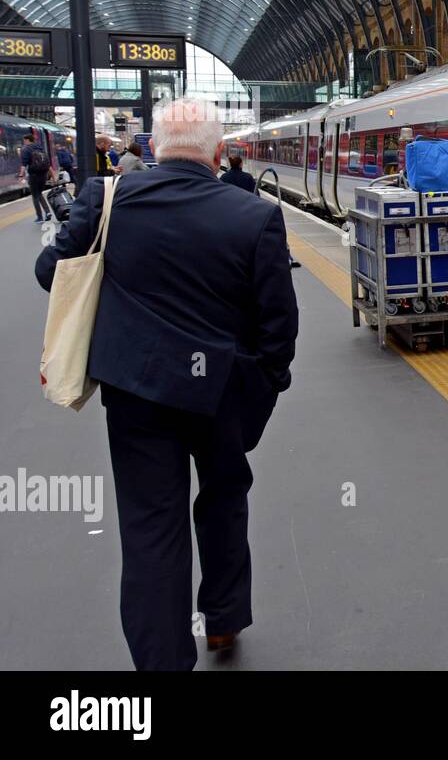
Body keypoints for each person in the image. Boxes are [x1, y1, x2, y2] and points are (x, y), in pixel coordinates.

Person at [35, 96, 299, 671]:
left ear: (153, 147)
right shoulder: (253, 215)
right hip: (224, 392)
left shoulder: (106, 199)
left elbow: (49, 273)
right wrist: (265, 386)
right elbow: (279, 325)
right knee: (225, 500)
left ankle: (163, 665)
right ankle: (224, 622)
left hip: (137, 394)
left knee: (153, 526)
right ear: (219, 153)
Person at [19, 133, 53, 223]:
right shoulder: (40, 148)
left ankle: (40, 217)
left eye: (24, 141)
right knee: (39, 193)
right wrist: (53, 176)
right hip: (44, 174)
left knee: (35, 196)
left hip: (34, 175)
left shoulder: (26, 149)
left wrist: (21, 175)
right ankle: (48, 212)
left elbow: (23, 164)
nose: (24, 142)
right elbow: (48, 163)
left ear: (27, 140)